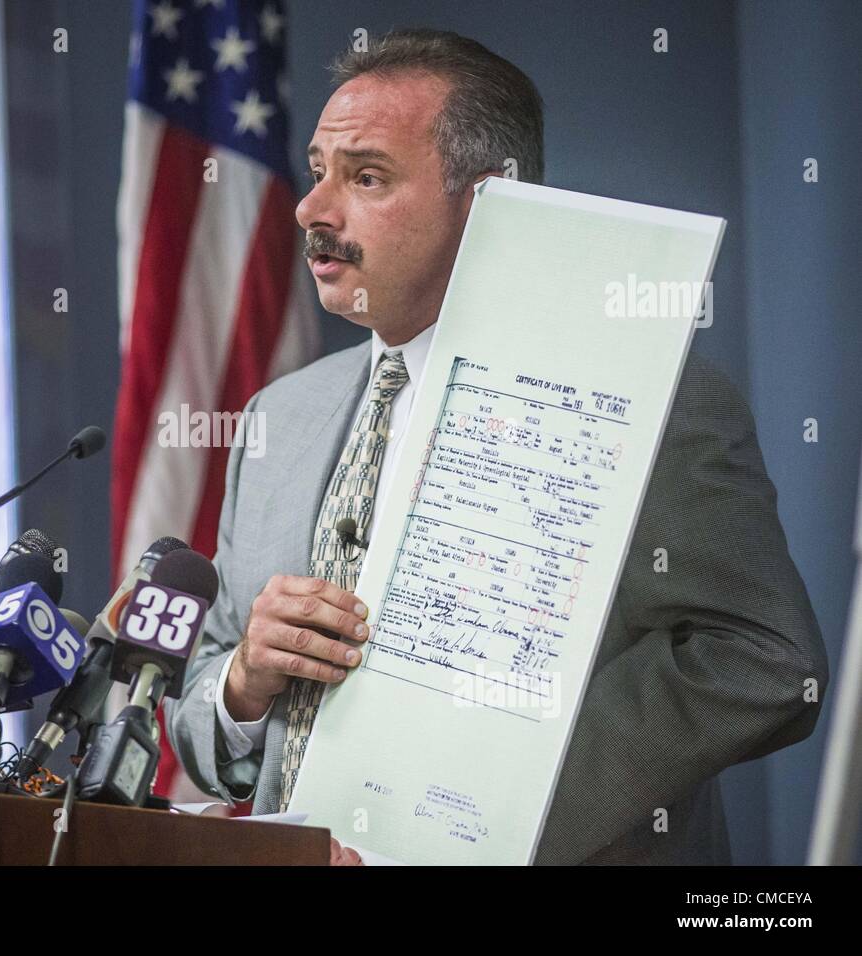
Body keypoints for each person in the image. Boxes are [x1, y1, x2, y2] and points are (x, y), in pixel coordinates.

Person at [163, 28, 826, 866]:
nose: (313, 208)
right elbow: (201, 710)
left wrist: (496, 812)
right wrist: (244, 685)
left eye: (365, 177)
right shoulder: (275, 417)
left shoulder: (650, 399)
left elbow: (767, 661)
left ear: (487, 206)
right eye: (318, 169)